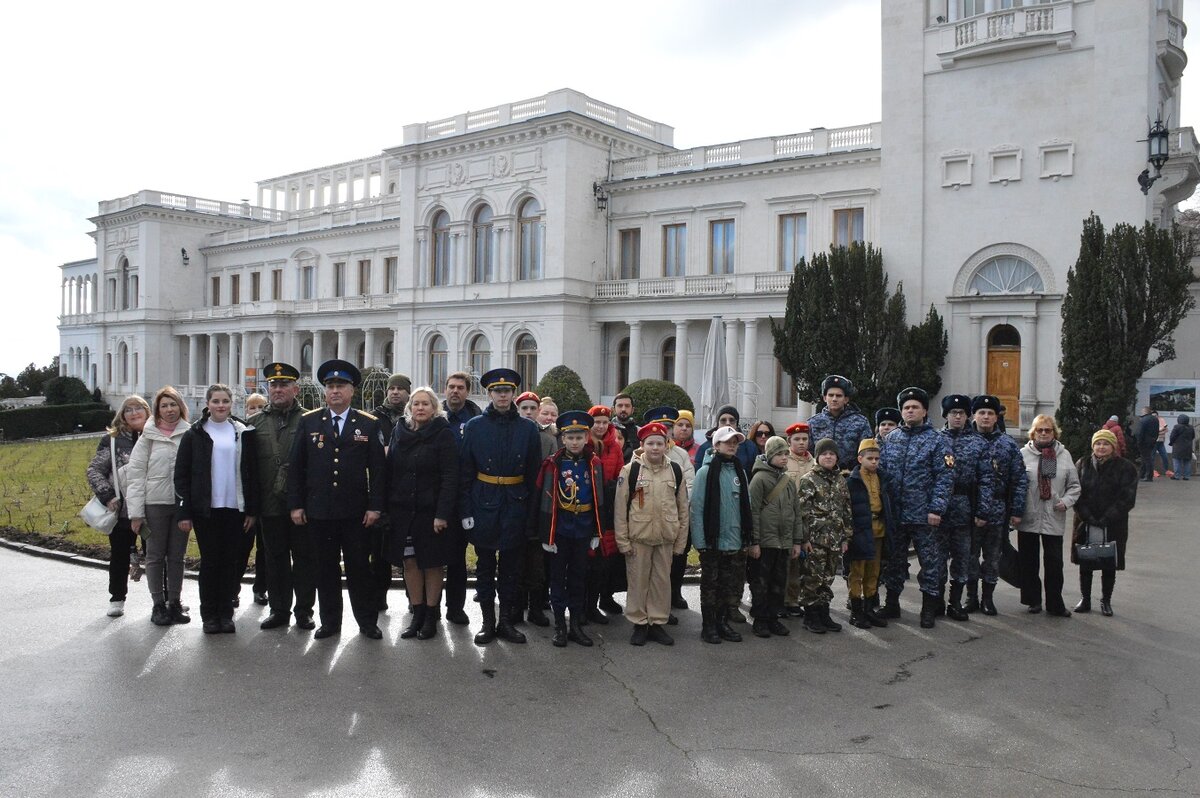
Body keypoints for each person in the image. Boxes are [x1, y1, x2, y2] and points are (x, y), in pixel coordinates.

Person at [288, 360, 387, 640]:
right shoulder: (309, 422)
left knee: (359, 568)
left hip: (356, 512)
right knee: (325, 569)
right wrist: (296, 504)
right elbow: (296, 467)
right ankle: (330, 622)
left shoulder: (368, 424)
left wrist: (375, 506)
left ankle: (367, 622)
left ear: (351, 390)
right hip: (319, 511)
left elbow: (378, 471)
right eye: (330, 386)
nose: (334, 391)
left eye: (340, 386)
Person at [458, 367, 543, 645]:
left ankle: (506, 621)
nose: (502, 395)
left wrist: (531, 517)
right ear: (489, 393)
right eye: (497, 391)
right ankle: (487, 622)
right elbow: (465, 473)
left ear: (513, 394)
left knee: (511, 568)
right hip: (484, 503)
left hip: (515, 504)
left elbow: (533, 475)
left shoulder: (528, 428)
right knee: (484, 566)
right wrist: (466, 512)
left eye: (507, 391)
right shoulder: (474, 427)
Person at [174, 384, 260, 634]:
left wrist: (251, 510)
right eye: (216, 401)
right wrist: (184, 511)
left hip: (235, 508)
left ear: (231, 404)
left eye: (225, 401)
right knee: (211, 563)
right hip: (207, 510)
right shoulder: (195, 434)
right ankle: (209, 615)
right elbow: (182, 475)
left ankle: (226, 614)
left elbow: (251, 474)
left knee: (231, 563)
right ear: (208, 404)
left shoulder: (243, 432)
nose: (220, 405)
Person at [879, 386, 953, 629]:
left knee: (930, 563)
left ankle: (928, 608)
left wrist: (936, 509)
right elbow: (884, 474)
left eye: (915, 407)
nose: (910, 411)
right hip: (897, 515)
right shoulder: (892, 438)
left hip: (924, 515)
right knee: (894, 561)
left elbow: (945, 478)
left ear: (924, 411)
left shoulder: (937, 440)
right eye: (906, 408)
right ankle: (891, 604)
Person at [388, 386, 459, 641]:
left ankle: (431, 615)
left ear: (434, 408)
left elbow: (451, 476)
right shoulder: (399, 431)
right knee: (409, 562)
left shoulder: (443, 434)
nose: (420, 408)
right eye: (416, 404)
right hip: (404, 511)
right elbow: (391, 470)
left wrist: (442, 513)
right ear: (409, 408)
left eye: (425, 404)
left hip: (432, 513)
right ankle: (416, 614)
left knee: (432, 563)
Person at [249, 362, 315, 631]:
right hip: (269, 505)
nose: (278, 389)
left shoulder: (311, 420)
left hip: (301, 505)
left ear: (295, 389)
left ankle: (304, 612)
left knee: (304, 560)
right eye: (273, 385)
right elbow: (249, 470)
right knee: (275, 560)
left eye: (284, 384)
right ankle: (279, 610)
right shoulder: (254, 423)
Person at [615, 421, 689, 646]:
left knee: (661, 582)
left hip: (666, 537)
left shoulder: (675, 470)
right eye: (650, 443)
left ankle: (657, 623)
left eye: (660, 443)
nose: (655, 447)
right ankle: (639, 623)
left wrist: (680, 542)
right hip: (639, 537)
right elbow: (620, 508)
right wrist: (622, 541)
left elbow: (683, 509)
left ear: (667, 445)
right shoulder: (631, 471)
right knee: (638, 582)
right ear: (642, 444)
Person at [537, 411, 604, 647]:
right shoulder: (553, 464)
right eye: (570, 437)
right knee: (557, 577)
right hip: (560, 528)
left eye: (579, 437)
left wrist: (597, 532)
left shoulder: (594, 463)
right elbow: (545, 501)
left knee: (578, 577)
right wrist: (547, 534)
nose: (575, 442)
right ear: (562, 439)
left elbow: (599, 499)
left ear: (586, 438)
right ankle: (560, 626)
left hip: (583, 528)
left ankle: (575, 624)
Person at [125, 386, 191, 626]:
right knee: (154, 556)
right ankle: (158, 604)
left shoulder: (190, 433)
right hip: (154, 505)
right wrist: (136, 513)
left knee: (177, 556)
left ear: (180, 407)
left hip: (181, 505)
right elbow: (135, 476)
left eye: (173, 404)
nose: (169, 409)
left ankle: (174, 602)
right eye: (164, 405)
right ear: (157, 410)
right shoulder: (148, 438)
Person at [87, 395, 151, 618]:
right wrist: (108, 496)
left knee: (156, 555)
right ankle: (117, 598)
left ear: (147, 411)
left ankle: (163, 600)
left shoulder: (155, 435)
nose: (134, 413)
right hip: (122, 510)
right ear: (122, 415)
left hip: (151, 507)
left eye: (138, 409)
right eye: (128, 410)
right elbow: (94, 470)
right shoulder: (113, 439)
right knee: (120, 555)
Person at [691, 426, 753, 644]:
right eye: (727, 441)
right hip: (711, 541)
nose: (732, 445)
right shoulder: (705, 472)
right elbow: (697, 508)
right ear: (716, 445)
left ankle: (722, 622)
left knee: (727, 585)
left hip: (733, 540)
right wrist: (700, 541)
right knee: (710, 586)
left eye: (735, 441)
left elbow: (746, 507)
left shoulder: (739, 471)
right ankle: (708, 627)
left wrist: (747, 536)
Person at [1015, 415, 1080, 618]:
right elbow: (1015, 485)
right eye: (1040, 430)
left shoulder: (1064, 455)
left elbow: (1074, 486)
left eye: (1048, 430)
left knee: (1054, 563)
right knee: (1029, 563)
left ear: (1054, 432)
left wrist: (1066, 501)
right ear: (1033, 433)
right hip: (1029, 516)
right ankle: (1033, 601)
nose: (1043, 433)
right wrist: (1015, 510)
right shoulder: (1022, 454)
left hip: (1054, 516)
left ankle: (1055, 604)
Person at [969, 394, 1028, 616]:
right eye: (981, 412)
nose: (985, 417)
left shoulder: (1007, 444)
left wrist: (1017, 510)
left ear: (996, 417)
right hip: (969, 511)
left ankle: (987, 598)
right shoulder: (964, 441)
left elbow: (1019, 479)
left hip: (997, 511)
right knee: (969, 557)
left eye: (990, 413)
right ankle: (971, 597)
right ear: (974, 415)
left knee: (993, 558)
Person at [1072, 429, 1139, 616]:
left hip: (1113, 523)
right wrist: (1088, 516)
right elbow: (1075, 492)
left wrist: (1106, 518)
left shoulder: (1126, 467)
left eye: (1106, 444)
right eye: (1098, 443)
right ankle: (1085, 599)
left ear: (1113, 446)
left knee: (1108, 562)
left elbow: (1127, 498)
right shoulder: (1082, 464)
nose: (1101, 447)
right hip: (1085, 521)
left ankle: (1106, 600)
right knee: (1086, 561)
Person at [937, 394, 987, 622]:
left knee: (962, 558)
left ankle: (955, 602)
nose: (957, 417)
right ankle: (935, 600)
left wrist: (982, 511)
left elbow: (986, 480)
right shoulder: (935, 440)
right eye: (953, 413)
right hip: (939, 509)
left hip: (964, 507)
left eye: (961, 413)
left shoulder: (978, 443)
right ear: (945, 415)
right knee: (935, 559)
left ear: (968, 416)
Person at [796, 438, 853, 634]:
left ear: (837, 457)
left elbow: (846, 510)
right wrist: (804, 539)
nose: (828, 457)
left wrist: (846, 537)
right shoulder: (808, 480)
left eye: (832, 454)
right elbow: (801, 513)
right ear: (818, 457)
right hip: (815, 541)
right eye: (824, 454)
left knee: (827, 578)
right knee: (812, 578)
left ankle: (824, 612)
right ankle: (811, 615)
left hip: (835, 540)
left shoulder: (840, 480)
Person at [643, 406, 695, 620]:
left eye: (667, 427)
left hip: (673, 516)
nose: (663, 430)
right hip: (648, 519)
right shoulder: (644, 453)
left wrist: (673, 505)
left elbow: (689, 485)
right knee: (649, 567)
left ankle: (673, 596)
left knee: (675, 561)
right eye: (660, 426)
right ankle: (647, 608)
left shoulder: (680, 455)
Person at [747, 435, 802, 638]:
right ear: (769, 456)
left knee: (779, 582)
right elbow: (752, 511)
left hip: (784, 542)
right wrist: (754, 541)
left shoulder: (788, 482)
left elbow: (796, 512)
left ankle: (773, 618)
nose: (784, 457)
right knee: (761, 582)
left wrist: (796, 541)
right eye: (779, 454)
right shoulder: (759, 479)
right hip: (765, 542)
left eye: (786, 453)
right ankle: (760, 619)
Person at [442, 371, 482, 625]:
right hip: (436, 498)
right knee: (430, 555)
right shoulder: (434, 415)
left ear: (467, 391)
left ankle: (455, 608)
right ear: (444, 389)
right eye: (451, 387)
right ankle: (424, 605)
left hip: (467, 497)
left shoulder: (476, 420)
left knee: (458, 557)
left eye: (460, 387)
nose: (455, 391)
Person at [369, 372, 412, 613]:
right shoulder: (375, 417)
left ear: (408, 391)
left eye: (400, 388)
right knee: (379, 551)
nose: (395, 392)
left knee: (409, 550)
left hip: (406, 492)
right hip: (380, 491)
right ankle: (378, 597)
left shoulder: (412, 417)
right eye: (391, 388)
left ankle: (412, 597)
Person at [512, 389, 554, 627]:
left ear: (539, 411)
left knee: (537, 562)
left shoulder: (547, 439)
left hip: (538, 507)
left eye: (532, 409)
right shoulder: (511, 433)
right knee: (515, 560)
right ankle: (516, 608)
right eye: (524, 408)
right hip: (514, 504)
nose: (528, 412)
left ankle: (536, 607)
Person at [583, 404, 625, 624]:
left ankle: (601, 600)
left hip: (607, 508)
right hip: (586, 506)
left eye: (604, 422)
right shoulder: (583, 443)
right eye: (596, 422)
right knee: (587, 561)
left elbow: (620, 475)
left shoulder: (615, 446)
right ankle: (584, 605)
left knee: (604, 559)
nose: (600, 426)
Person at [845, 437, 892, 629]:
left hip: (879, 530)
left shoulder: (883, 478)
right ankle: (856, 610)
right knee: (857, 572)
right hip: (860, 531)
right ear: (860, 459)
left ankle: (869, 608)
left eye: (877, 458)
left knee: (874, 571)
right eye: (870, 458)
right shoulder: (852, 480)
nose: (874, 462)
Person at [807, 375, 873, 472]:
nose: (834, 399)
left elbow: (867, 452)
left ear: (846, 399)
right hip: (819, 476)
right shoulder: (813, 422)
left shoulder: (860, 422)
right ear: (825, 398)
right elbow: (808, 453)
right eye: (830, 395)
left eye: (838, 396)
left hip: (849, 476)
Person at [782, 421, 814, 617]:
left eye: (805, 439)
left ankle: (805, 599)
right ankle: (789, 601)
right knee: (791, 564)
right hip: (791, 519)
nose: (802, 442)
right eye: (797, 439)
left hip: (811, 521)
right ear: (789, 441)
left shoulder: (814, 462)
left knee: (808, 565)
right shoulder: (785, 461)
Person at [693, 405, 759, 472]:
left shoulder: (750, 447)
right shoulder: (704, 448)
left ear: (737, 424)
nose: (728, 423)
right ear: (718, 424)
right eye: (723, 420)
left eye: (732, 420)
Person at [1135, 406, 1159, 481]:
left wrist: (1138, 442)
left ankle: (1148, 476)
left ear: (1145, 412)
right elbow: (1157, 431)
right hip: (1152, 441)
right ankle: (1142, 474)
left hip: (1144, 442)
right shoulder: (1155, 419)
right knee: (1145, 458)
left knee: (1146, 459)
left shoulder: (1143, 420)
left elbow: (1139, 432)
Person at [612, 393, 638, 463]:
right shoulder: (607, 430)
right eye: (620, 406)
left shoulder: (639, 432)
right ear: (613, 409)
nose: (623, 409)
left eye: (627, 406)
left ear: (632, 410)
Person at [1169, 415, 1194, 480]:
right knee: (1187, 462)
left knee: (1177, 461)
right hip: (1188, 447)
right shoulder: (1191, 427)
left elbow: (1172, 436)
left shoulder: (1177, 427)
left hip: (1178, 446)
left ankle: (1177, 476)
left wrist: (1171, 443)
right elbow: (1193, 436)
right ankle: (1186, 476)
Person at [1155, 412, 1172, 477]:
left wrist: (1159, 431)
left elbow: (1166, 430)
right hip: (1154, 442)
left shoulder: (1161, 420)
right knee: (1152, 457)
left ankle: (1167, 470)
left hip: (1161, 442)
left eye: (1156, 415)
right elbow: (1152, 432)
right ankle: (1153, 471)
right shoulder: (1151, 422)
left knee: (1165, 456)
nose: (1155, 417)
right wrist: (1161, 431)